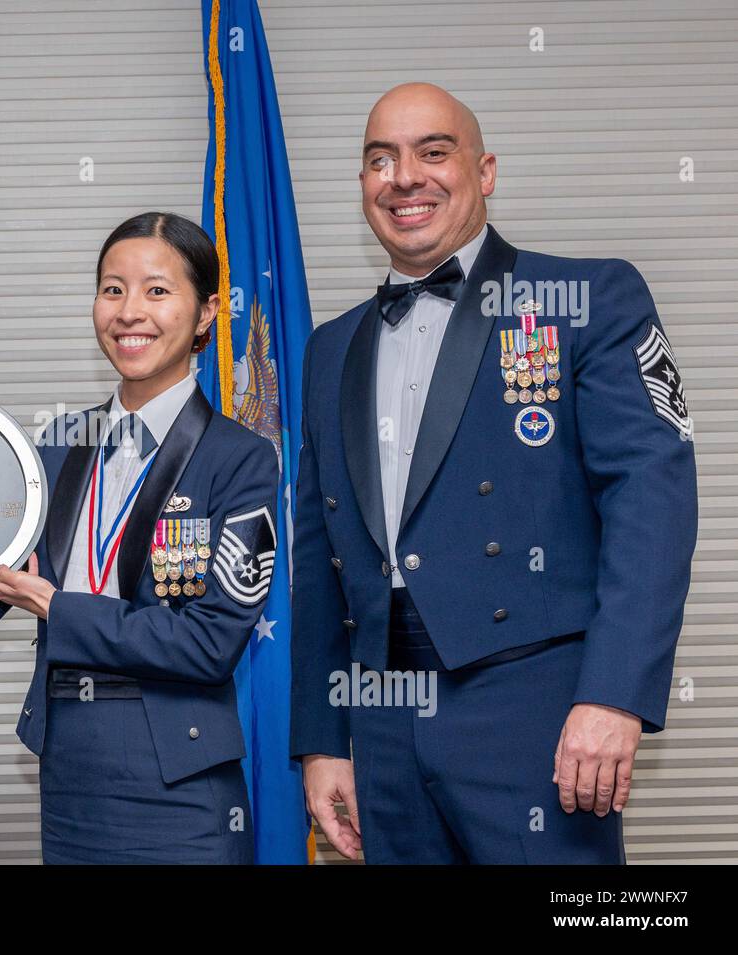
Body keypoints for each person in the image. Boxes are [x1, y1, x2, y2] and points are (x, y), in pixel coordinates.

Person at [288, 83, 698, 863]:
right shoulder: (328, 347)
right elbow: (319, 554)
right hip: (380, 721)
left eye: (433, 152)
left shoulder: (587, 299)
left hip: (537, 712)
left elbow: (653, 503)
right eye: (381, 159)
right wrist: (321, 735)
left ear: (486, 171)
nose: (404, 176)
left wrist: (614, 693)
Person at [0, 212, 279, 863]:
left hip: (181, 778)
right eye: (112, 288)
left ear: (206, 311)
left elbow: (208, 643)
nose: (129, 312)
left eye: (157, 291)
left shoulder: (240, 458)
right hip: (71, 769)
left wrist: (54, 606)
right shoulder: (59, 444)